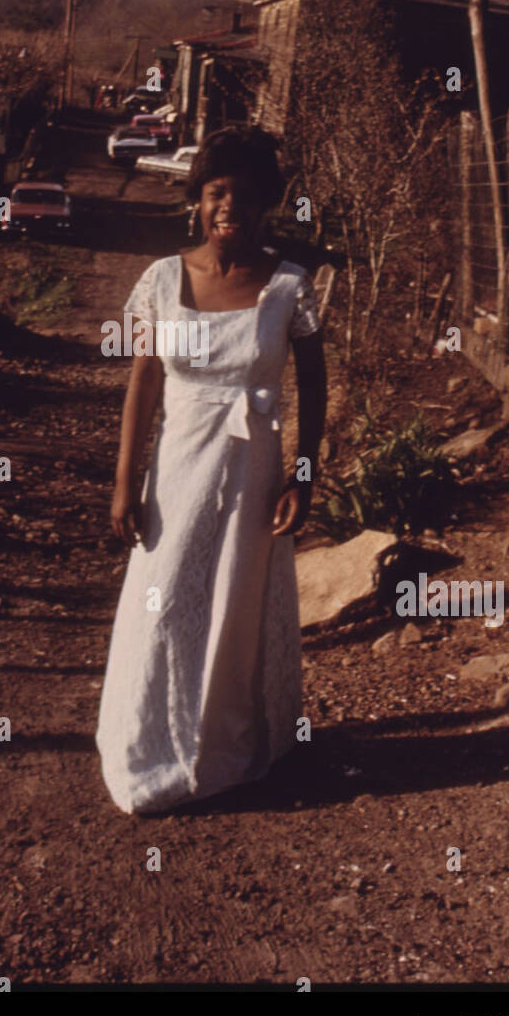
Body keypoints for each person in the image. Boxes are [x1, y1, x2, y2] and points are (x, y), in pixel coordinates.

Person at [96, 125, 327, 814]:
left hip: (255, 470)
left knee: (234, 606)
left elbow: (313, 386)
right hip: (176, 472)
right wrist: (123, 481)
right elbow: (144, 383)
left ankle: (225, 752)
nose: (230, 208)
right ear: (197, 199)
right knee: (163, 605)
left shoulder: (289, 286)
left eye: (246, 196)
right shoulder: (164, 281)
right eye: (217, 193)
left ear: (266, 206)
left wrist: (304, 475)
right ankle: (149, 752)